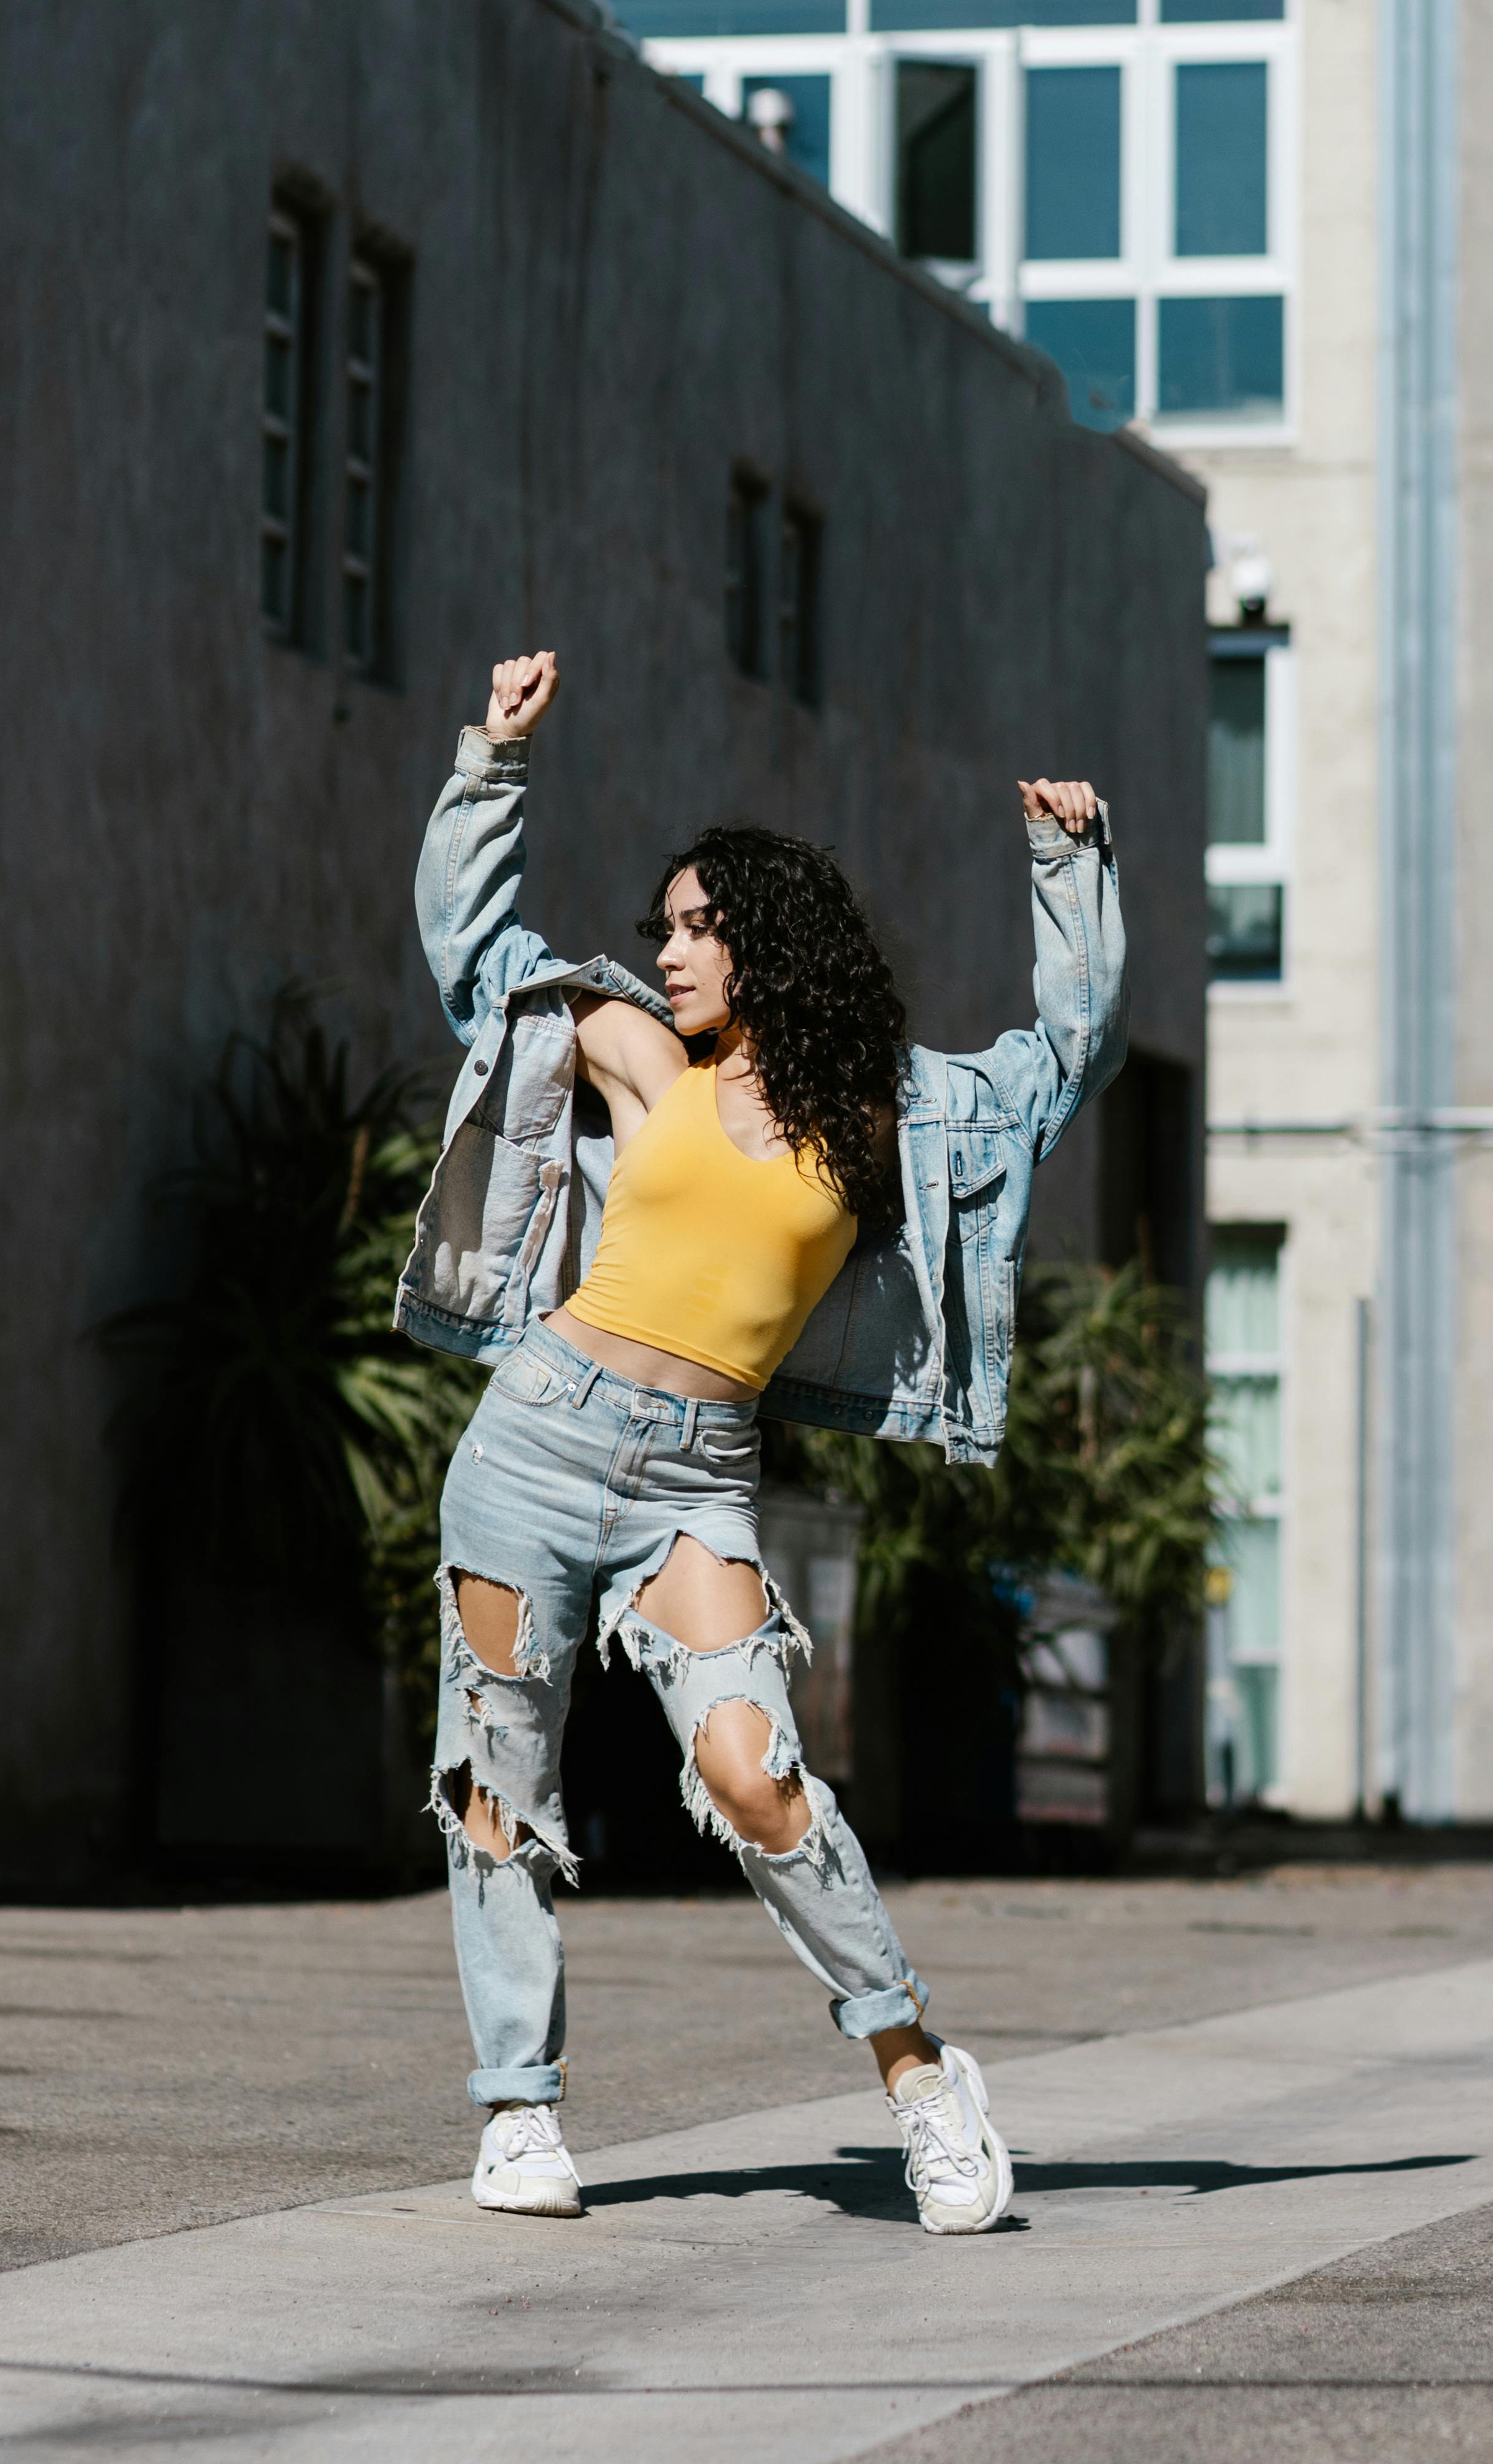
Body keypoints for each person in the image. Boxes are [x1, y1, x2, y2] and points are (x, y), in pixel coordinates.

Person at [396, 650, 1124, 2236]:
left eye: (693, 925)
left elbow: (1061, 1061)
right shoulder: (639, 1052)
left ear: (768, 940)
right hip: (532, 1440)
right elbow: (473, 961)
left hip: (691, 1478)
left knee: (753, 1772)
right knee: (496, 1783)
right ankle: (518, 2106)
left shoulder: (893, 1120)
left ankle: (921, 2071)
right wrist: (493, 766)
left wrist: (1066, 870)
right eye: (660, 924)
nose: (664, 950)